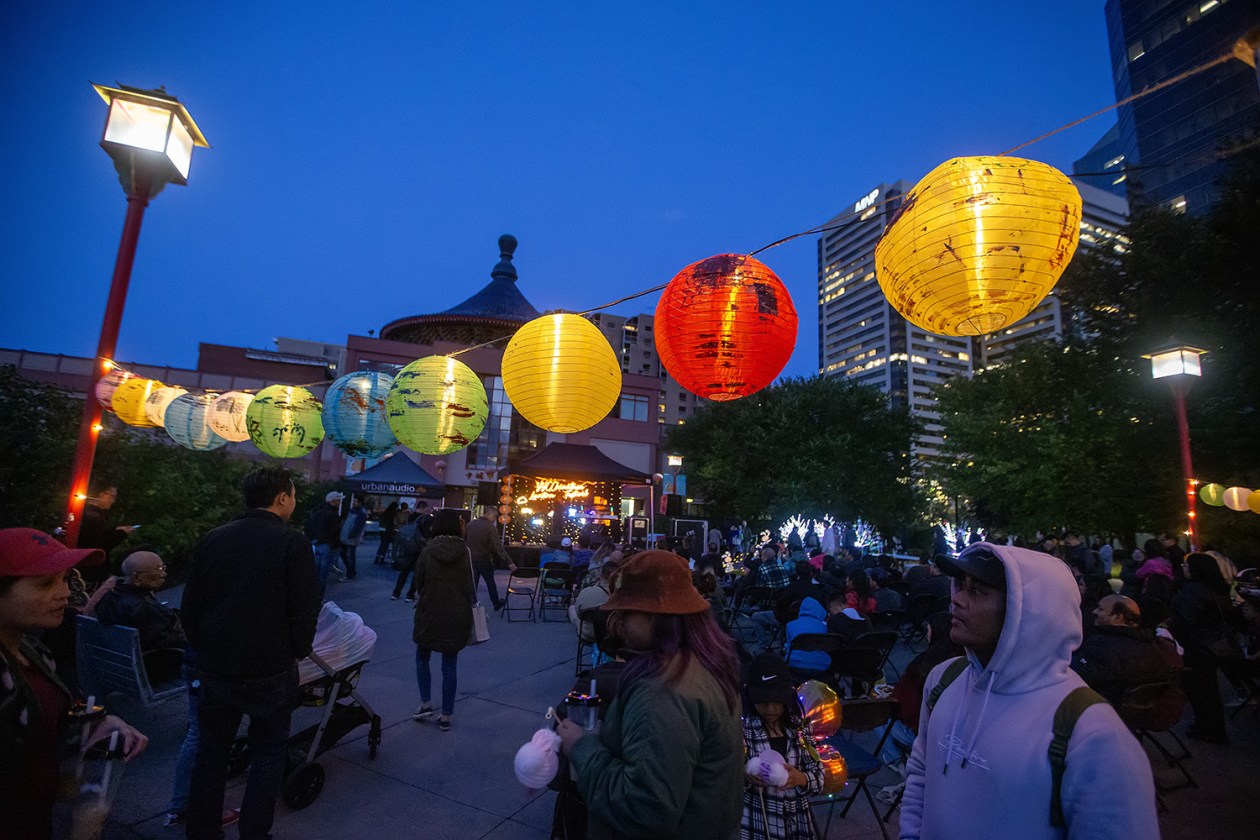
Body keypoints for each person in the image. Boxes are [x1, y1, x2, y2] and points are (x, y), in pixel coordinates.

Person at [900, 542, 1157, 839]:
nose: (957, 599)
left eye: (978, 590)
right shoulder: (944, 680)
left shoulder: (1092, 732)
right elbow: (921, 772)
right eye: (959, 584)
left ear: (1028, 612)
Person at [558, 550, 744, 838]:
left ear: (658, 615)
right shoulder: (701, 663)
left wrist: (582, 748)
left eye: (627, 612)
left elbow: (644, 807)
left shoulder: (663, 690)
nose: (619, 623)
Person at [181, 467, 321, 840]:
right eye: (292, 495)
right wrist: (297, 650)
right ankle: (255, 832)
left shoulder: (214, 539)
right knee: (268, 752)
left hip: (216, 665)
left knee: (212, 754)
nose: (293, 502)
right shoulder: (292, 544)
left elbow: (191, 604)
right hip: (271, 667)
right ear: (281, 498)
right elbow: (306, 607)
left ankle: (202, 831)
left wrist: (204, 646)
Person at [0, 528, 148, 840]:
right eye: (44, 584)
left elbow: (53, 708)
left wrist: (98, 721)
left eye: (65, 578)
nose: (65, 593)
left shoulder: (30, 648)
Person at [740, 653, 825, 840]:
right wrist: (744, 774)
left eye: (777, 701)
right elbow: (725, 776)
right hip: (757, 824)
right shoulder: (743, 729)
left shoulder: (800, 729)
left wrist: (801, 778)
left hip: (795, 823)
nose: (770, 709)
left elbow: (820, 777)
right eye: (762, 702)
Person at [411, 508, 474, 732]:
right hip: (456, 613)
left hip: (429, 611)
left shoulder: (428, 551)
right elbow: (471, 585)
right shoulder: (465, 552)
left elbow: (418, 580)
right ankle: (446, 714)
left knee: (422, 657)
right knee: (450, 665)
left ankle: (425, 702)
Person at [1170, 551, 1241, 744]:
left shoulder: (1193, 591)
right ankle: (1212, 726)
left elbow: (1185, 619)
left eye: (1187, 566)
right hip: (1212, 645)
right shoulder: (1218, 588)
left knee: (1200, 690)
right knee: (1209, 688)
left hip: (1197, 646)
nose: (1183, 569)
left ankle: (1210, 729)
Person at [94, 548, 187, 683]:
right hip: (151, 668)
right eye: (159, 569)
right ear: (137, 577)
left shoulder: (110, 597)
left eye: (163, 567)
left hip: (123, 665)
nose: (164, 574)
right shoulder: (145, 608)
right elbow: (168, 640)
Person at [1070, 595, 1178, 707]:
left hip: (1104, 712)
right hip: (1148, 715)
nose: (1094, 611)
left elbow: (1077, 677)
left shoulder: (1101, 645)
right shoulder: (1152, 647)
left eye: (1101, 609)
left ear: (1117, 618)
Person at [77, 481, 135, 588]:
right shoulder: (93, 517)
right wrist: (121, 533)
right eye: (113, 496)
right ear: (102, 494)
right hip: (92, 572)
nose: (113, 501)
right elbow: (100, 543)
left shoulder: (85, 513)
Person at [465, 505, 515, 611]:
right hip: (484, 559)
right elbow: (497, 547)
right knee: (490, 582)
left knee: (473, 583)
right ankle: (496, 603)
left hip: (471, 558)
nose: (495, 519)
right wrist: (509, 562)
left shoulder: (470, 525)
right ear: (489, 514)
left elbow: (464, 541)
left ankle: (472, 604)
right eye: (495, 516)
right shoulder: (490, 527)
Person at [307, 490, 344, 596]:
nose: (339, 503)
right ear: (333, 501)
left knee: (316, 571)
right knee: (323, 573)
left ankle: (312, 595)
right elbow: (334, 532)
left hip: (317, 543)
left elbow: (310, 526)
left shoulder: (318, 512)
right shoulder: (333, 515)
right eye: (338, 501)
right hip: (328, 545)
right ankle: (318, 596)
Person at [338, 496, 368, 580]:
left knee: (349, 556)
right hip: (345, 537)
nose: (353, 503)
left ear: (360, 503)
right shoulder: (351, 511)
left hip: (351, 539)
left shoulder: (361, 514)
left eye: (355, 501)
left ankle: (350, 574)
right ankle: (351, 571)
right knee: (344, 555)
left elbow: (358, 526)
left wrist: (352, 535)